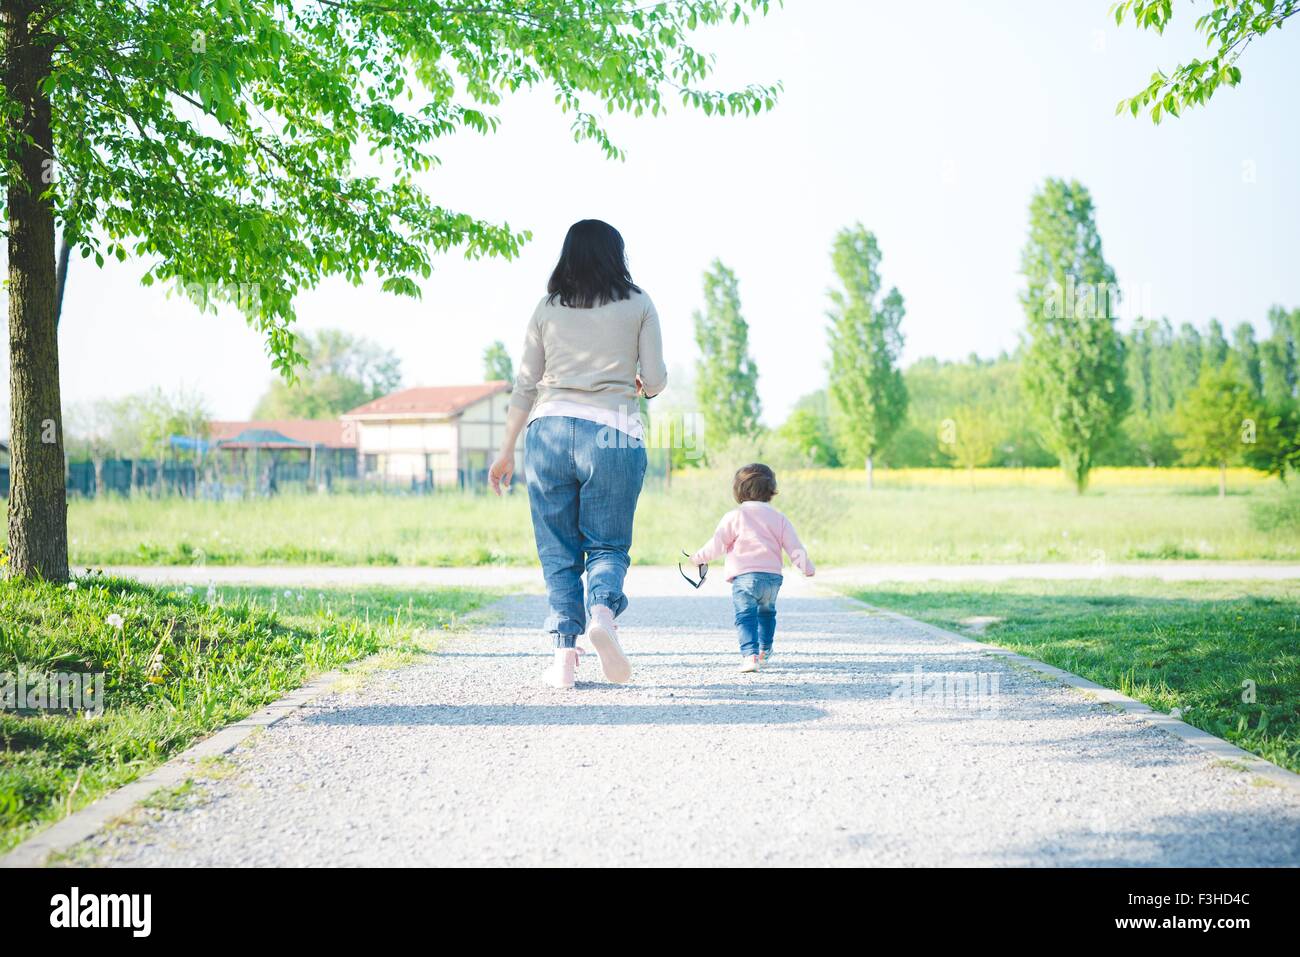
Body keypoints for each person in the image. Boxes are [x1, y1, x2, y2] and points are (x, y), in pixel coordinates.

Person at [489, 219, 667, 689]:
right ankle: (603, 615)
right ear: (616, 255)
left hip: (545, 432)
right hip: (612, 432)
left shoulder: (547, 308)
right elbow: (656, 379)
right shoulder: (639, 303)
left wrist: (506, 451)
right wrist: (639, 385)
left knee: (558, 550)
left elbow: (525, 384)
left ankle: (565, 659)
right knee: (607, 545)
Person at [689, 463, 815, 673]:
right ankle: (765, 650)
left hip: (745, 577)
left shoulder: (735, 516)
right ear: (771, 491)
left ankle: (750, 656)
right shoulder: (779, 518)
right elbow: (795, 547)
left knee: (745, 616)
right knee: (767, 613)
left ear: (738, 490)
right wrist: (807, 567)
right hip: (772, 578)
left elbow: (717, 544)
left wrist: (699, 557)